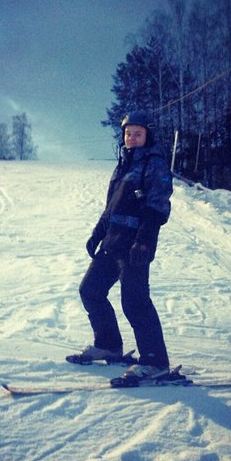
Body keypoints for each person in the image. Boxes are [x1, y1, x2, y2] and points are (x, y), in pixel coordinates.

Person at [70, 110, 173, 386]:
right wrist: (97, 234)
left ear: (148, 135)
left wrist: (144, 240)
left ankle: (155, 361)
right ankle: (108, 345)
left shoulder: (154, 164)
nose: (132, 138)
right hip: (112, 242)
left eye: (138, 133)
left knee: (135, 302)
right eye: (128, 133)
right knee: (90, 290)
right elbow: (111, 208)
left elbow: (158, 206)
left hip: (135, 245)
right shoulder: (123, 164)